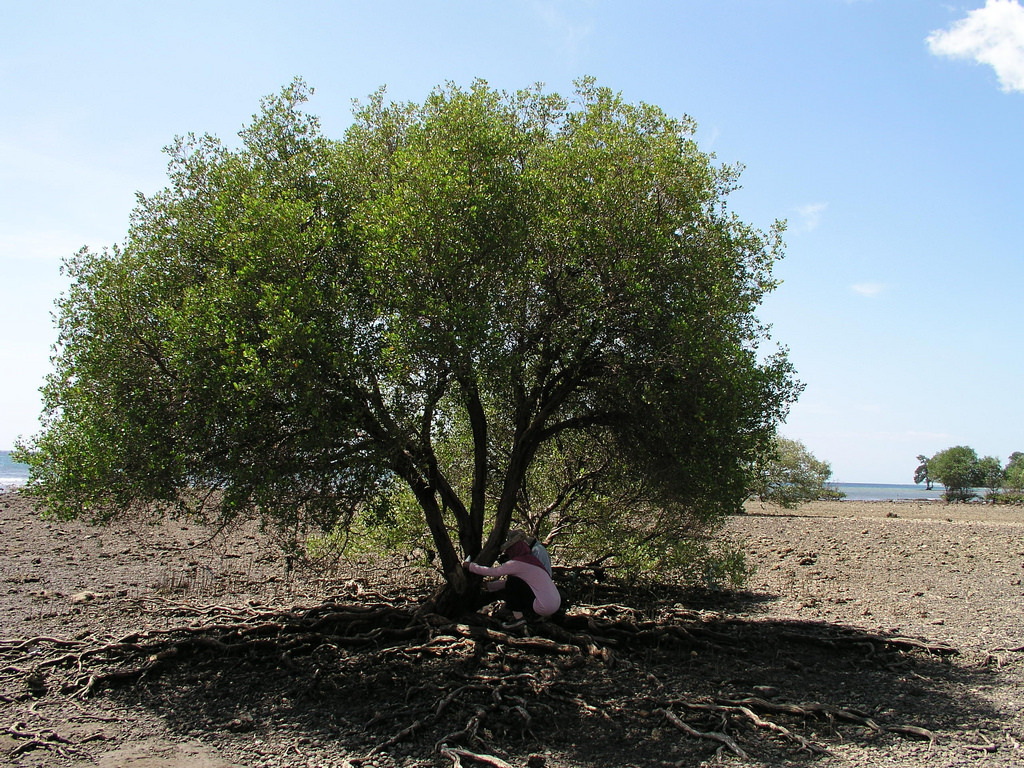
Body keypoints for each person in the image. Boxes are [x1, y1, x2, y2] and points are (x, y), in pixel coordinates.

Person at [464, 530, 560, 628]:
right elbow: (520, 583)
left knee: (513, 582)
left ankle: (518, 619)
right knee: (514, 582)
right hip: (555, 603)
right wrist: (489, 586)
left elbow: (493, 572)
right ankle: (529, 616)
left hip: (543, 606)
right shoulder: (532, 560)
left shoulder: (517, 563)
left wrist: (470, 566)